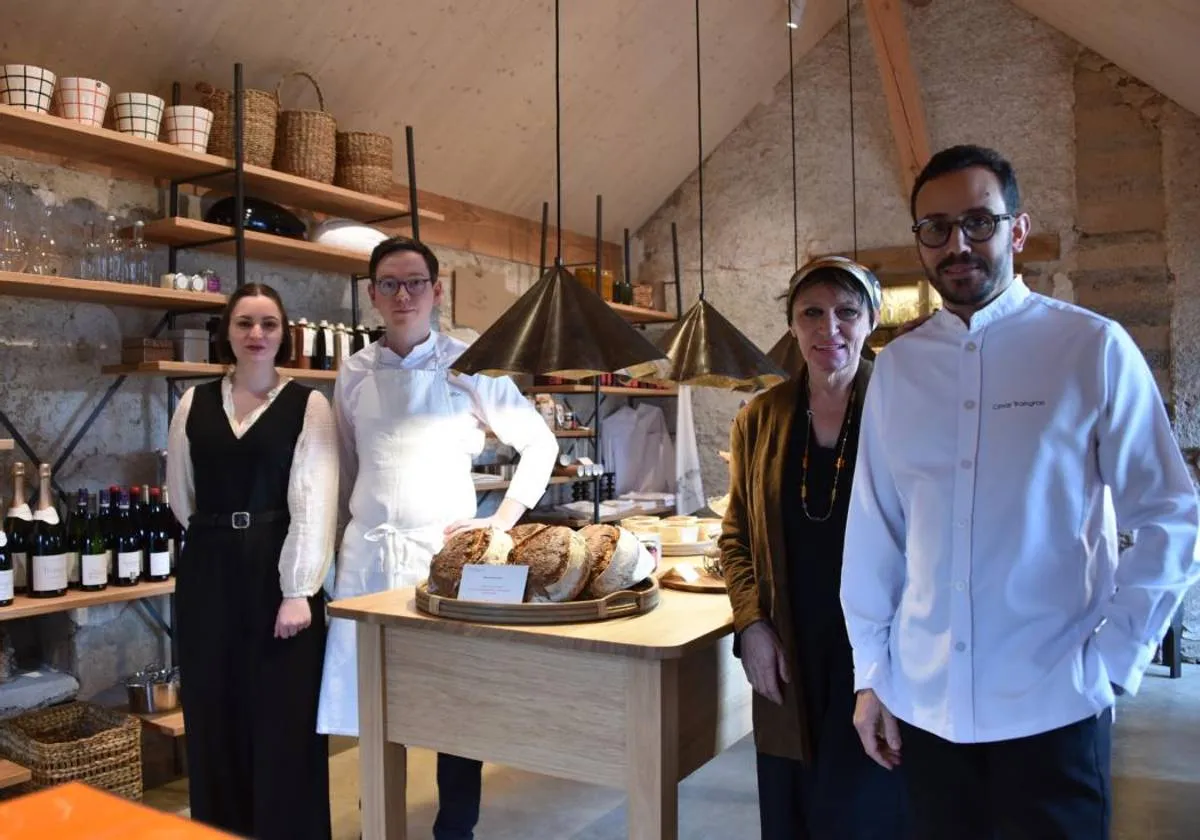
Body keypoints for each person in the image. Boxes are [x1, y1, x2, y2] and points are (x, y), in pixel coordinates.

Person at [842, 143, 1200, 839]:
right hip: (924, 707)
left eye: (979, 222)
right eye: (936, 228)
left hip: (1053, 711)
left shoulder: (1091, 349)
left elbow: (1169, 514)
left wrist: (1116, 662)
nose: (958, 244)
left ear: (1019, 229)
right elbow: (874, 535)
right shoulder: (898, 370)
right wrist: (872, 674)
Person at [316, 236, 558, 840]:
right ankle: (381, 820)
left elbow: (540, 443)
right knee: (372, 702)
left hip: (443, 561)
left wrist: (501, 519)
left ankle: (456, 828)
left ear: (437, 290)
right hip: (368, 557)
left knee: (455, 704)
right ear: (372, 295)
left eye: (415, 282)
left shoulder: (469, 364)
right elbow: (346, 463)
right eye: (390, 284)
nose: (404, 295)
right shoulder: (354, 372)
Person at [720, 255, 909, 839]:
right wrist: (750, 625)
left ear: (870, 320)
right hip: (789, 650)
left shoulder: (903, 408)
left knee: (868, 811)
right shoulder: (761, 418)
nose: (830, 328)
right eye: (812, 313)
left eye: (846, 312)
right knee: (790, 814)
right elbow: (736, 538)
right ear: (793, 325)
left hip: (879, 650)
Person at [167, 283, 337, 840]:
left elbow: (314, 499)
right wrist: (212, 538)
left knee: (282, 716)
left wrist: (298, 589)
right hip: (209, 567)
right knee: (214, 710)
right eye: (244, 323)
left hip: (277, 568)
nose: (256, 334)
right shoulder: (193, 402)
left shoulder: (308, 405)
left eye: (268, 323)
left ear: (284, 333)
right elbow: (181, 493)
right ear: (227, 332)